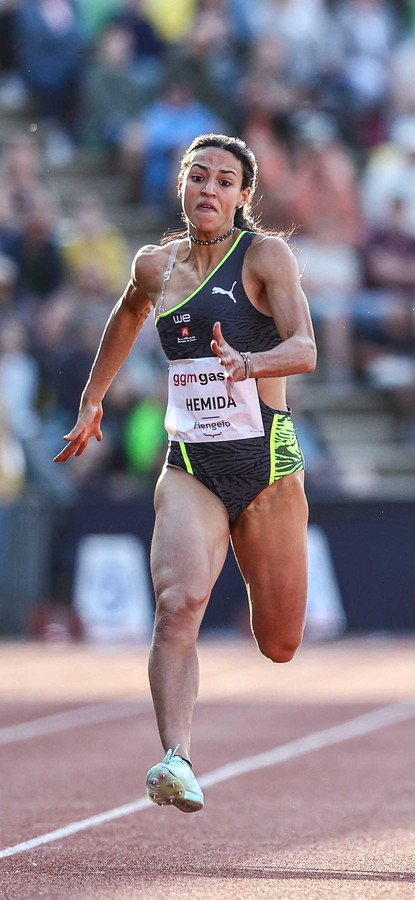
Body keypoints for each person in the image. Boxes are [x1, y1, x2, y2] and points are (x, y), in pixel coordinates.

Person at [56, 133, 316, 813]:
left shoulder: (265, 257)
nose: (209, 189)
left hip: (267, 470)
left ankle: (187, 741)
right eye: (198, 177)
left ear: (243, 197)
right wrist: (93, 398)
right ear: (180, 185)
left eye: (225, 181)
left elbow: (306, 347)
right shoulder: (154, 265)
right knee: (177, 609)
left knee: (281, 642)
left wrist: (250, 365)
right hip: (190, 465)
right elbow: (127, 316)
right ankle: (176, 756)